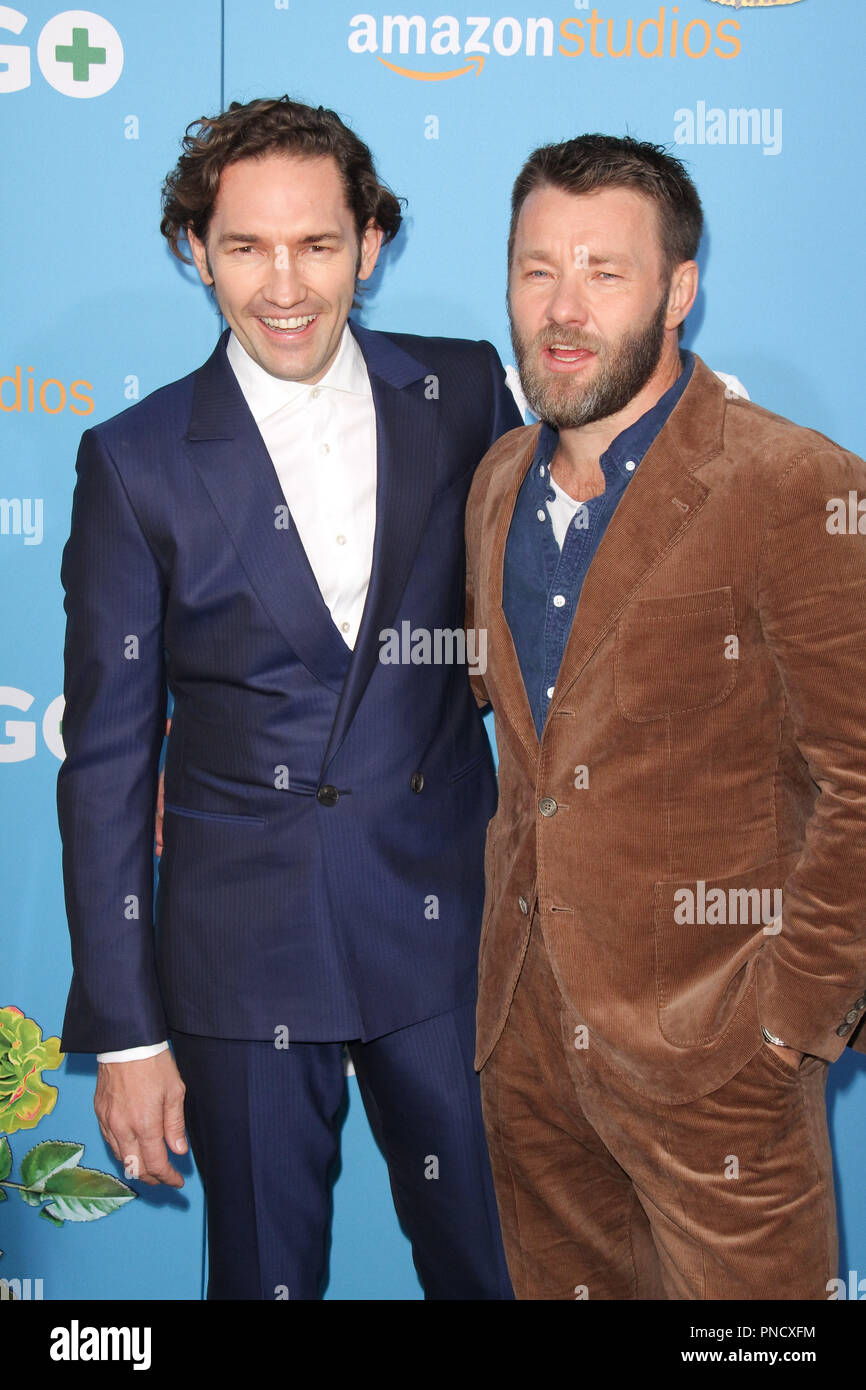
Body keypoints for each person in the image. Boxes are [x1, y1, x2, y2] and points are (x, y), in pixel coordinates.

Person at [57, 95, 519, 1300]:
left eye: (317, 244)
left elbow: (538, 636)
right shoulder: (135, 459)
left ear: (369, 246)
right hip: (243, 953)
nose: (285, 285)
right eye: (247, 246)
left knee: (505, 1271)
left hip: (448, 937)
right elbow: (106, 760)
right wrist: (129, 1028)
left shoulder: (464, 392)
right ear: (193, 251)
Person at [464, 133, 866, 1300]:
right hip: (529, 1051)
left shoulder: (793, 485)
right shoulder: (495, 482)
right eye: (536, 268)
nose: (562, 307)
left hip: (717, 1057)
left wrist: (786, 1020)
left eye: (603, 270)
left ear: (678, 289)